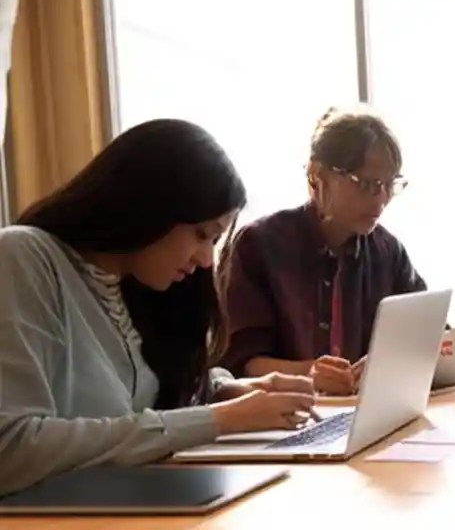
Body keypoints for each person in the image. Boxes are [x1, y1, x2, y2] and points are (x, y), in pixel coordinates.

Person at [0, 119, 317, 495]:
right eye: (202, 235)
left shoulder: (135, 284)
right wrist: (218, 419)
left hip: (119, 513)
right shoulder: (24, 257)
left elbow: (136, 399)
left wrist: (221, 390)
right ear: (150, 206)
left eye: (214, 241)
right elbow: (12, 447)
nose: (204, 260)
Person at [218, 106, 427, 395]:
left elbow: (427, 334)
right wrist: (310, 373)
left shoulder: (387, 251)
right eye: (368, 184)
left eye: (389, 184)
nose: (381, 198)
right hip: (281, 416)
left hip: (361, 413)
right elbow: (237, 364)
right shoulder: (259, 245)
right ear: (318, 175)